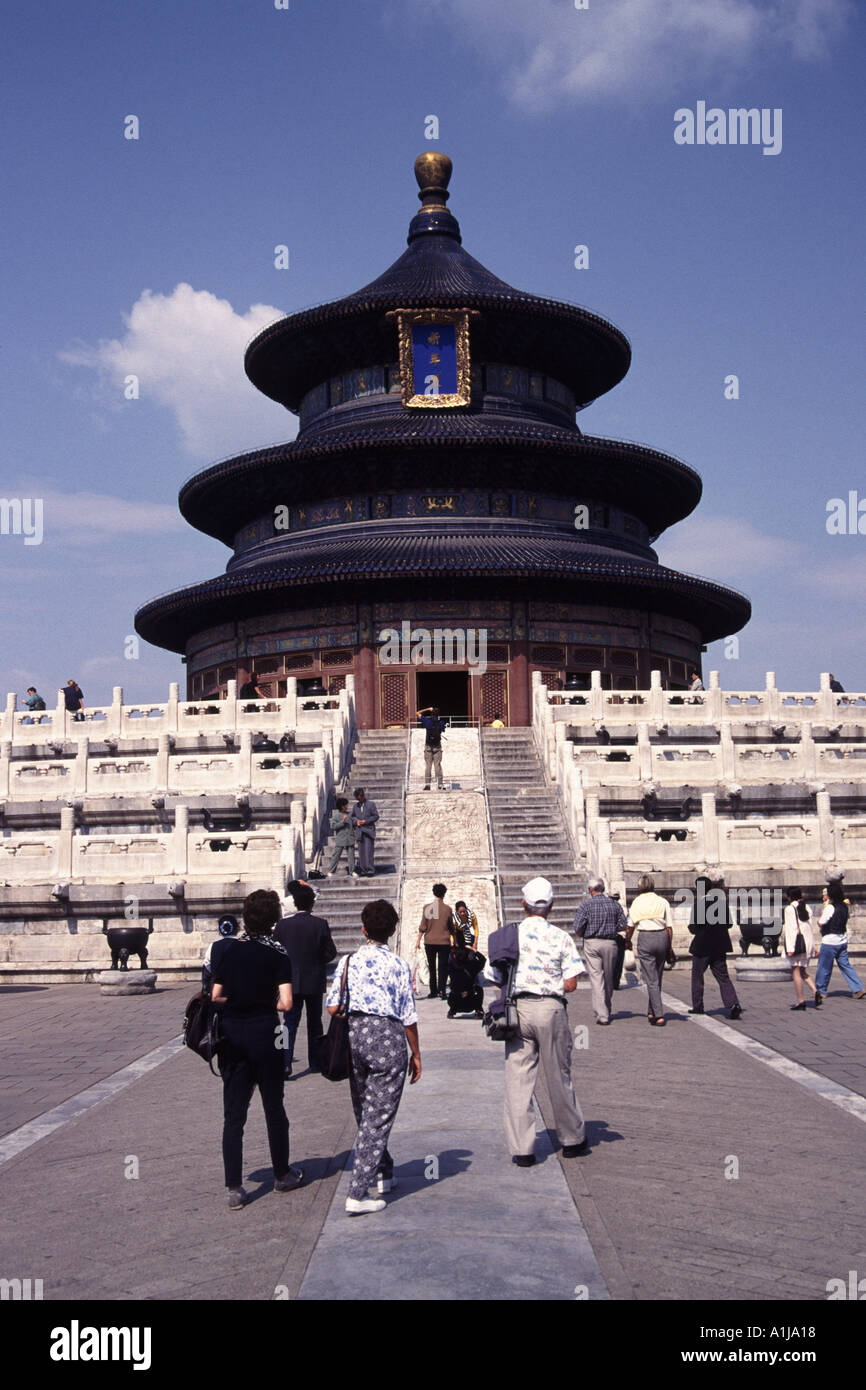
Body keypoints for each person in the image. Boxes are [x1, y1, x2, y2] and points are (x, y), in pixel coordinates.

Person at [209, 889, 304, 1210]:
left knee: (233, 1115)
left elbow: (215, 996)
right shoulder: (278, 953)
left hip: (232, 1036)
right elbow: (287, 1003)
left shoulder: (230, 951)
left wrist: (239, 1000)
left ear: (246, 917)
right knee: (274, 1108)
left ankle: (234, 1188)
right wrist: (264, 1001)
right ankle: (282, 1175)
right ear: (275, 918)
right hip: (267, 1033)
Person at [326, 899, 421, 1215]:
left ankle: (384, 1171)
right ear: (394, 931)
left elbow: (331, 1006)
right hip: (388, 1039)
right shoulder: (398, 965)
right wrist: (416, 1054)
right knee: (378, 1115)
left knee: (366, 1110)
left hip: (355, 1038)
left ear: (363, 928)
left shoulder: (348, 962)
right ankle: (357, 1192)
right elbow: (408, 1016)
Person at [491, 877, 587, 1166]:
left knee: (518, 1079)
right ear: (552, 906)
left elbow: (493, 976)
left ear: (523, 904)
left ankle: (522, 1150)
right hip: (550, 1008)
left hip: (517, 1010)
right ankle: (571, 1140)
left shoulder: (509, 936)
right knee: (559, 1074)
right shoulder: (561, 937)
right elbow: (571, 984)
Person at [274, 883, 336, 1076]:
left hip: (289, 981)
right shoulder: (320, 924)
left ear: (294, 903)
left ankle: (284, 1062)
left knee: (288, 1024)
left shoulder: (283, 925)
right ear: (312, 905)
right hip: (314, 979)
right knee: (315, 1023)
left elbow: (275, 951)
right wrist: (317, 961)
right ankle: (316, 1061)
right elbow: (330, 952)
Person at [685, 875, 742, 1020]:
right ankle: (733, 1003)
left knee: (697, 976)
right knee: (723, 976)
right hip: (720, 945)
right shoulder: (721, 903)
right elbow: (729, 924)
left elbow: (694, 927)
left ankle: (698, 1006)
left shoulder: (699, 904)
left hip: (702, 945)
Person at [572, 877, 627, 1025]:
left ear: (591, 890)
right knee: (609, 977)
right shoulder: (614, 905)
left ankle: (602, 1014)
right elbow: (623, 925)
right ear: (602, 888)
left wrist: (585, 933)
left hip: (592, 942)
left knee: (596, 978)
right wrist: (611, 928)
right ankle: (606, 1007)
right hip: (610, 942)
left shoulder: (585, 905)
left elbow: (577, 927)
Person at [625, 874, 674, 1027]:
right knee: (657, 977)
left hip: (645, 938)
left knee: (651, 979)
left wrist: (627, 941)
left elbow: (630, 926)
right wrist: (669, 947)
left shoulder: (636, 902)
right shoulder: (662, 901)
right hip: (662, 937)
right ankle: (652, 1010)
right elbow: (669, 927)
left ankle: (658, 1014)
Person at [814, 880, 865, 1001]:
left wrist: (820, 919)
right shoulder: (844, 907)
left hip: (830, 941)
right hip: (842, 940)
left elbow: (821, 923)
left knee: (824, 967)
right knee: (846, 966)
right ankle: (858, 988)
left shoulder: (830, 908)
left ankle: (821, 991)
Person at [782, 888, 819, 1011]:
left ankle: (800, 1000)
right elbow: (810, 928)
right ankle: (815, 990)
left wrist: (790, 948)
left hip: (797, 945)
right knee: (803, 971)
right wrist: (814, 947)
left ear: (789, 897)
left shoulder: (789, 909)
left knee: (796, 972)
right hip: (807, 944)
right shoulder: (806, 907)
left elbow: (791, 929)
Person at [414, 882, 452, 999]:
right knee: (443, 967)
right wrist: (454, 940)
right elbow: (451, 927)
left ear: (434, 893)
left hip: (429, 941)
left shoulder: (427, 908)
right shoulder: (448, 909)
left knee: (431, 967)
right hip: (444, 942)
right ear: (444, 894)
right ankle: (442, 991)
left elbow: (423, 927)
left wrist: (418, 941)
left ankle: (433, 991)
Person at [201, 913, 240, 995]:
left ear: (220, 930)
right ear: (237, 928)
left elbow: (207, 969)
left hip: (218, 993)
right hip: (239, 991)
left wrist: (206, 988)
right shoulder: (244, 945)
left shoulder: (213, 946)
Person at [446, 943, 485, 1019]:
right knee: (479, 989)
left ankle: (452, 1011)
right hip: (470, 1004)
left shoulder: (451, 967)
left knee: (452, 991)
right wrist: (474, 950)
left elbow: (450, 956)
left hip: (455, 1003)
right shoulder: (473, 966)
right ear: (468, 956)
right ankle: (479, 1011)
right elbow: (483, 960)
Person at [351, 787, 379, 877]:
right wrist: (356, 821)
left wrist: (365, 821)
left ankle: (370, 869)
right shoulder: (355, 807)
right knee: (361, 851)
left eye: (359, 797)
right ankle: (363, 870)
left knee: (369, 851)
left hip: (368, 831)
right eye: (357, 798)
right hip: (359, 831)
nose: (359, 799)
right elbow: (352, 817)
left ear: (362, 796)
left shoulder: (371, 804)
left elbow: (376, 816)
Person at [418, 705, 445, 789]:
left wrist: (428, 709)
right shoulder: (441, 722)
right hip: (437, 746)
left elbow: (417, 713)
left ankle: (427, 785)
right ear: (438, 715)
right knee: (437, 765)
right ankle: (440, 785)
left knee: (428, 765)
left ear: (431, 714)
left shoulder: (427, 721)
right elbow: (442, 729)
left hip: (428, 746)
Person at [327, 795, 356, 875]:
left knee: (351, 856)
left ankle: (352, 871)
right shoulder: (336, 816)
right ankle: (331, 871)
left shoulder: (350, 814)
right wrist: (342, 822)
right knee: (336, 855)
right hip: (341, 838)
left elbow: (354, 824)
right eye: (346, 805)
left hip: (350, 837)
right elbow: (333, 826)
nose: (347, 806)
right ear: (342, 806)